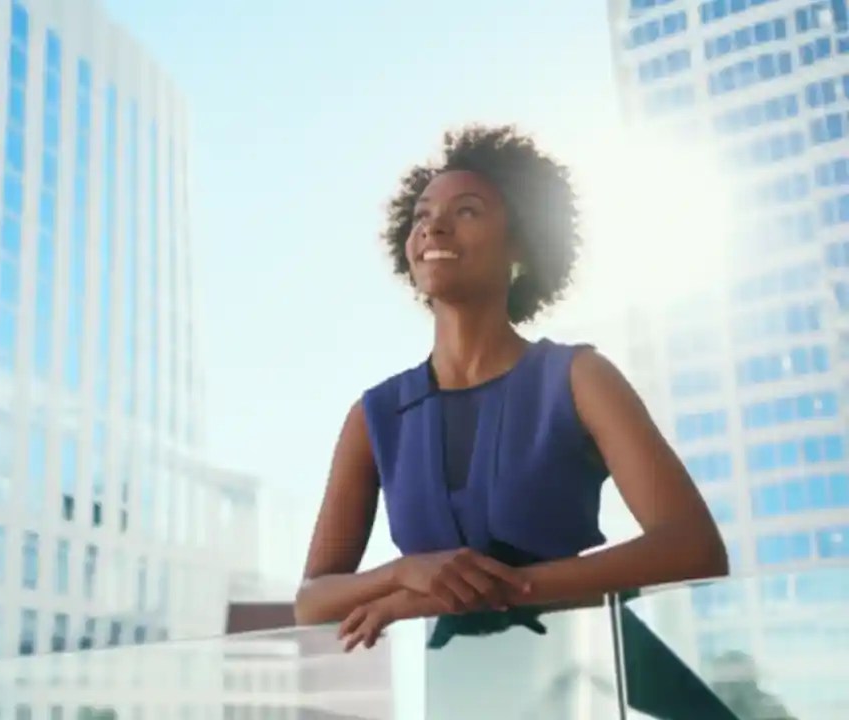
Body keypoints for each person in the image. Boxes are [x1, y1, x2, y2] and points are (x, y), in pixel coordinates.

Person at [293, 125, 728, 651]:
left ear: (520, 246)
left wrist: (471, 595)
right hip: (461, 691)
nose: (435, 229)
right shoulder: (375, 416)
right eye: (422, 216)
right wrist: (406, 573)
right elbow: (312, 601)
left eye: (467, 212)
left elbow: (693, 548)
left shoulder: (580, 379)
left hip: (582, 675)